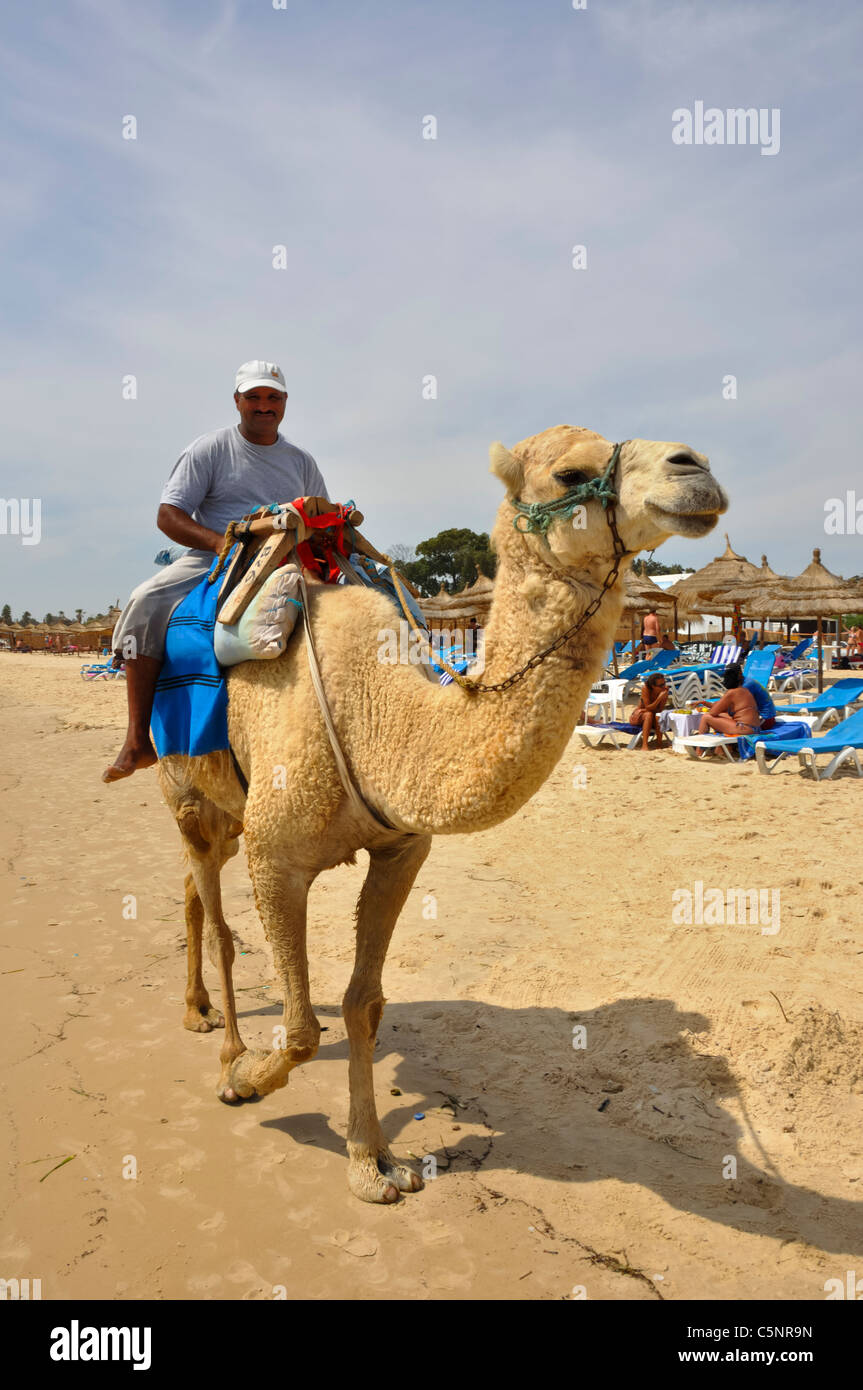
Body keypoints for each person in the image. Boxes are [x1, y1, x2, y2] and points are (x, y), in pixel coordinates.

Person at [103, 360, 329, 783]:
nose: (264, 406)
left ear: (284, 403)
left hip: (286, 555)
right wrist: (219, 543)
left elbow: (317, 517)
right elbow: (168, 515)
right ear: (237, 401)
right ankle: (137, 741)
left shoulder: (301, 462)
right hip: (213, 556)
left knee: (372, 595)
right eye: (255, 398)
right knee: (144, 601)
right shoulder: (210, 449)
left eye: (273, 398)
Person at [696, 663, 760, 739]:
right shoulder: (744, 690)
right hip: (755, 728)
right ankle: (720, 749)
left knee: (706, 717)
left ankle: (699, 749)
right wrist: (704, 703)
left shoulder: (732, 692)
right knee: (722, 715)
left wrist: (711, 709)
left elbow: (713, 712)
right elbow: (720, 705)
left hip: (744, 728)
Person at [630, 671, 669, 751]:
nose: (664, 687)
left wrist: (663, 698)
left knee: (658, 715)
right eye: (661, 685)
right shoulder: (646, 688)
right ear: (653, 686)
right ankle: (644, 745)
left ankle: (659, 744)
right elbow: (648, 707)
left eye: (664, 683)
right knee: (649, 714)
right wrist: (659, 699)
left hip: (652, 714)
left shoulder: (664, 691)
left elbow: (660, 709)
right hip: (639, 716)